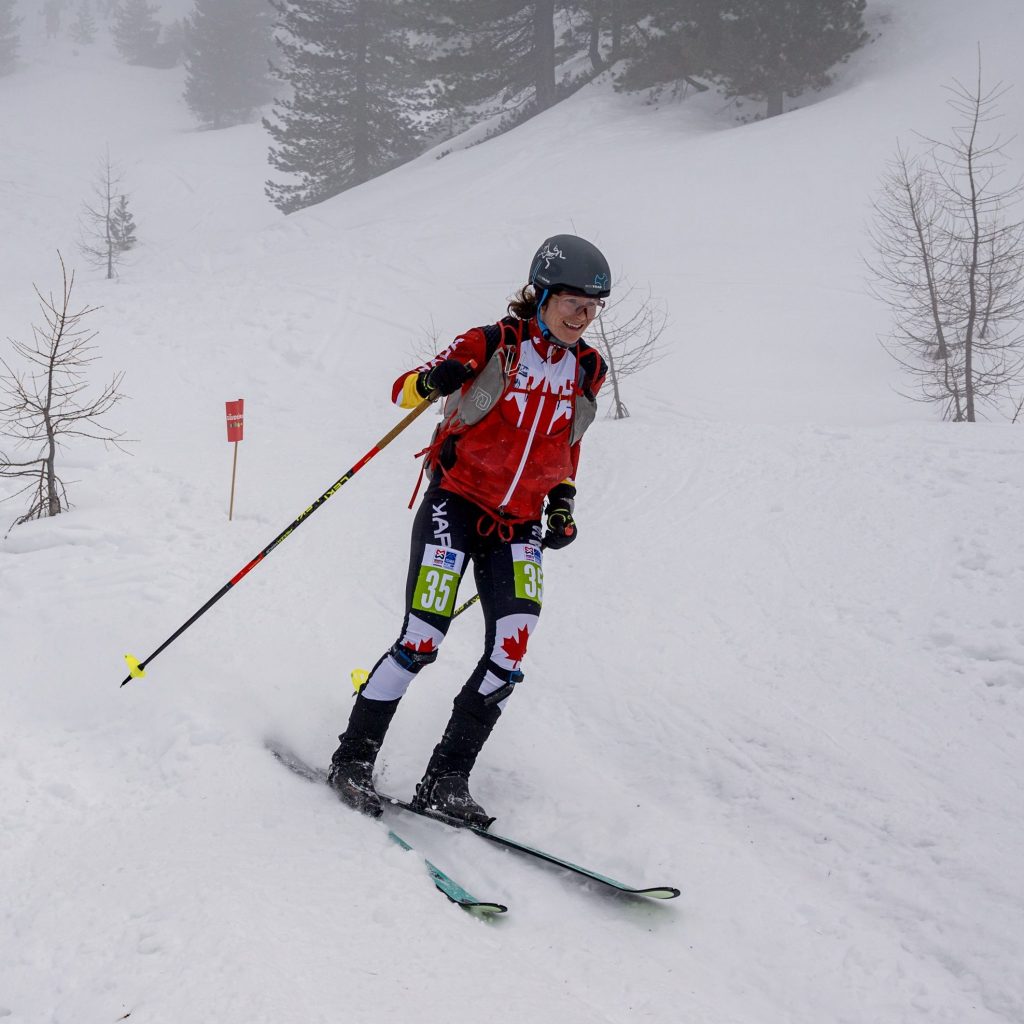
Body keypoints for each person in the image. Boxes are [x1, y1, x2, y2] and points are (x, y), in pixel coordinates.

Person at [327, 234, 611, 826]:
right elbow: (403, 389)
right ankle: (352, 758)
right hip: (454, 505)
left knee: (511, 648)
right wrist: (440, 376)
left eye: (592, 308)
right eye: (572, 303)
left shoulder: (587, 369)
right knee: (422, 637)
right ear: (542, 293)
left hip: (519, 524)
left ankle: (447, 778)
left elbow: (567, 446)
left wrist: (561, 504)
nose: (582, 317)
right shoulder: (493, 344)